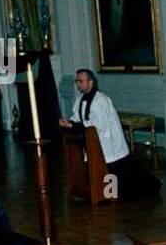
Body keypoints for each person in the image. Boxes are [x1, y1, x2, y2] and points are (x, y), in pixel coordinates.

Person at [59, 67, 160, 199]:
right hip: (94, 144)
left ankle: (119, 192)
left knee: (120, 172)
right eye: (77, 81)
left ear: (91, 82)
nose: (78, 84)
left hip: (109, 144)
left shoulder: (101, 100)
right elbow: (78, 117)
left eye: (81, 81)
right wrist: (69, 122)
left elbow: (97, 124)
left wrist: (74, 125)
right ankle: (103, 192)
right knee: (103, 169)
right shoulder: (80, 99)